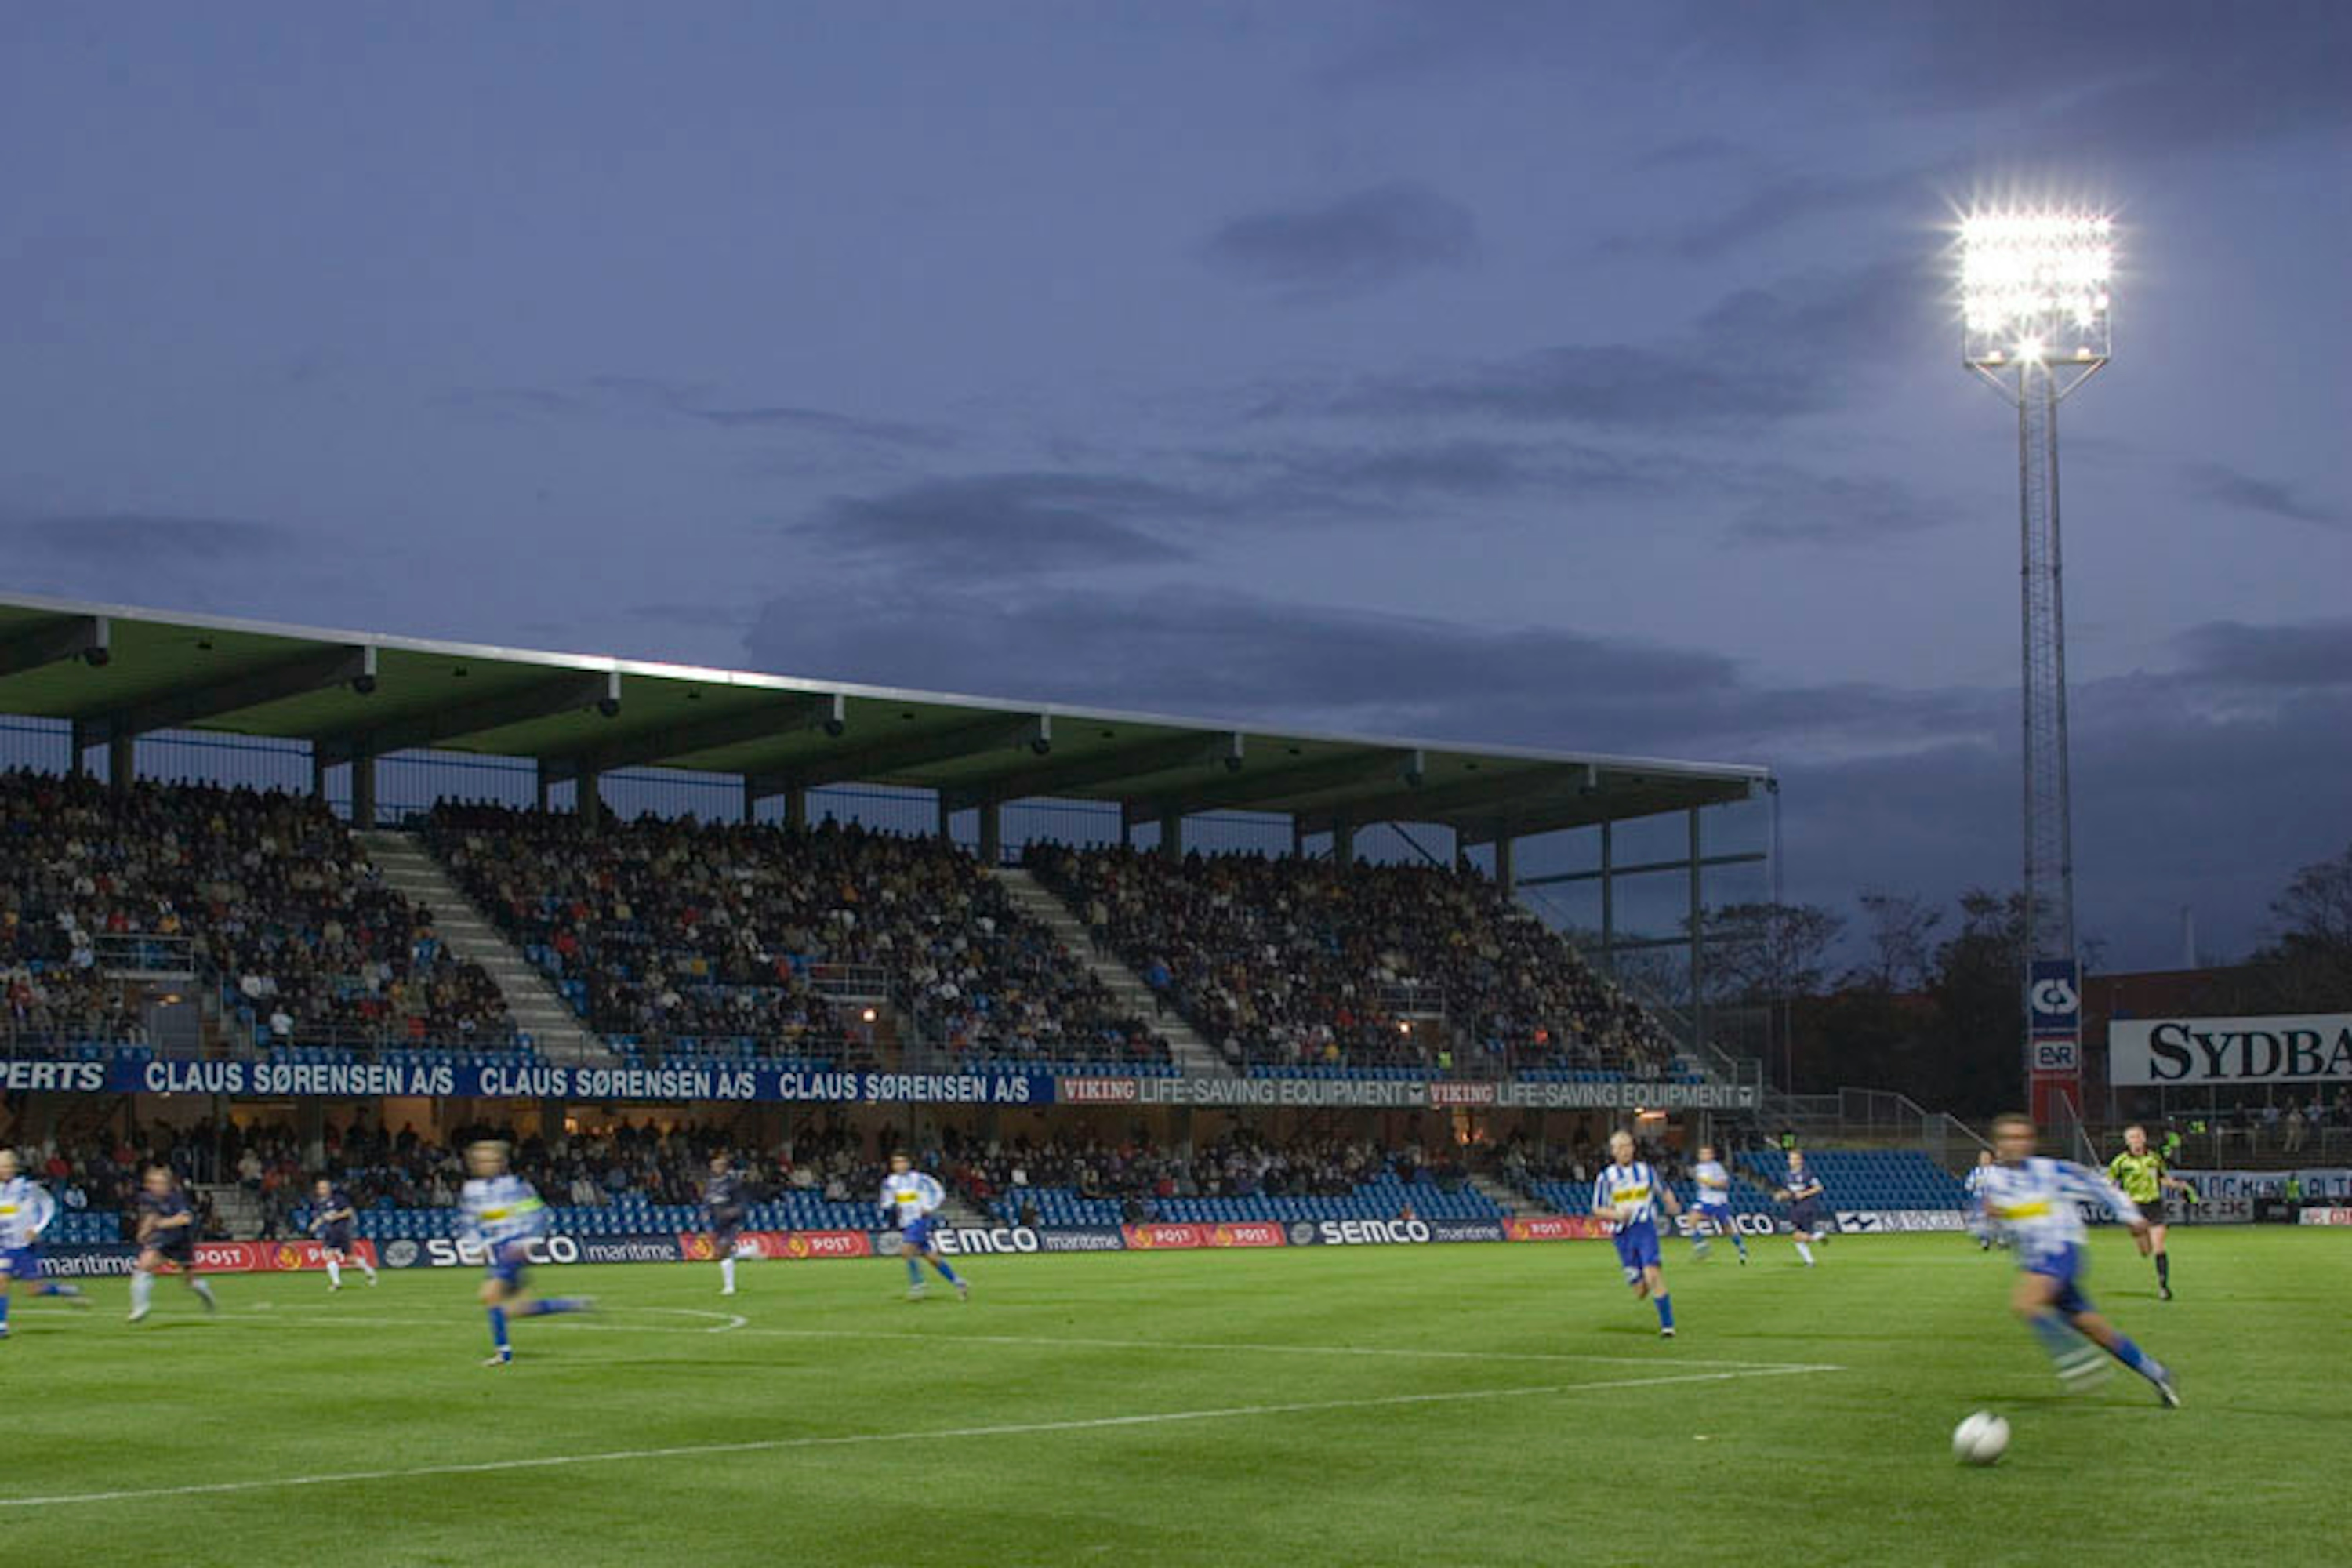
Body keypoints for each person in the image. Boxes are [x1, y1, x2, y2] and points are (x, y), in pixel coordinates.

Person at [1979, 1112, 2179, 1406]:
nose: (2016, 1143)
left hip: (2061, 1249)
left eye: (2022, 1137)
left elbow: (2097, 1186)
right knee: (2095, 1329)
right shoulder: (1993, 1180)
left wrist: (2130, 1216)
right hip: (2035, 1260)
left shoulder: (2051, 1171)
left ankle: (2078, 1362)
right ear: (1998, 1144)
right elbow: (1986, 1224)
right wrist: (1991, 1220)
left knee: (2025, 1303)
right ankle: (2157, 1373)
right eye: (2009, 1138)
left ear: (2032, 1142)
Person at [459, 1140, 591, 1367]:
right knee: (517, 1308)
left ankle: (504, 1354)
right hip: (496, 1248)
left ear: (500, 1163)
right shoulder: (471, 1190)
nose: (485, 1164)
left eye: (490, 1160)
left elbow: (537, 1213)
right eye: (481, 1161)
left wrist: (528, 1241)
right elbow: (469, 1220)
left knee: (489, 1295)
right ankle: (570, 1304)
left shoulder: (515, 1186)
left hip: (512, 1247)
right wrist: (476, 1245)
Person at [1588, 1129, 1682, 1337]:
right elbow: (1597, 1208)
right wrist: (1616, 1214)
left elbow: (1663, 1190)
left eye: (1628, 1145)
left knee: (1653, 1273)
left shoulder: (1646, 1171)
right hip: (1623, 1234)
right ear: (1613, 1151)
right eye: (1620, 1147)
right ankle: (1644, 1275)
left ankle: (1668, 1326)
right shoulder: (1606, 1177)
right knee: (1640, 1291)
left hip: (1645, 1227)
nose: (1625, 1150)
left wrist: (1671, 1202)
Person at [0, 1149, 89, 1336]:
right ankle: (2, 1325)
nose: (4, 1170)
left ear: (14, 1168)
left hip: (26, 1246)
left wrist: (37, 1228)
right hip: (6, 1246)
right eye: (1, 1167)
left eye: (7, 1166)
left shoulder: (27, 1187)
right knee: (1, 1281)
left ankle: (64, 1289)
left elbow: (48, 1204)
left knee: (34, 1290)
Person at [2106, 1125, 2192, 1301]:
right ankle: (2144, 1240)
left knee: (2159, 1246)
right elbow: (2110, 1182)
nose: (2136, 1140)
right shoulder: (2120, 1161)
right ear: (2127, 1141)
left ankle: (2163, 1287)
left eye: (2139, 1136)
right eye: (2132, 1137)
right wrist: (2112, 1193)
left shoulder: (2154, 1158)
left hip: (2154, 1205)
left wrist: (2179, 1186)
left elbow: (2163, 1178)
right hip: (2134, 1208)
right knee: (2145, 1251)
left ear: (2144, 1139)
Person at [877, 1152, 968, 1302]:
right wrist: (890, 1207)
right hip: (905, 1222)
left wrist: (929, 1207)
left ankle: (918, 1285)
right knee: (931, 1257)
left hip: (919, 1220)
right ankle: (958, 1282)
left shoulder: (920, 1178)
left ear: (908, 1163)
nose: (899, 1165)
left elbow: (939, 1192)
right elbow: (886, 1201)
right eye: (896, 1162)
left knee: (906, 1251)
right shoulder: (890, 1182)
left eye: (902, 1161)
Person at [129, 1166, 217, 1323]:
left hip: (182, 1241)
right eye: (152, 1183)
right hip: (164, 1241)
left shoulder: (176, 1198)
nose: (155, 1186)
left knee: (190, 1282)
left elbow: (185, 1218)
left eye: (159, 1183)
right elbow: (152, 1216)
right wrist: (144, 1232)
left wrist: (163, 1223)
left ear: (167, 1185)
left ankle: (207, 1296)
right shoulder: (150, 1199)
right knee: (143, 1266)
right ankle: (141, 1308)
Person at [308, 1177, 379, 1291]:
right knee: (349, 1258)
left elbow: (349, 1211)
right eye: (320, 1188)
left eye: (324, 1188)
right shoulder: (319, 1203)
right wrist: (315, 1224)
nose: (321, 1190)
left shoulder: (338, 1199)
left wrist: (336, 1216)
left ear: (329, 1189)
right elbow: (322, 1216)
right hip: (330, 1231)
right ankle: (368, 1270)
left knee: (330, 1254)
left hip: (340, 1230)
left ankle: (337, 1283)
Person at [1686, 1144, 1747, 1264]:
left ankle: (1741, 1246)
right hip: (1704, 1200)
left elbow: (1724, 1184)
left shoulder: (1717, 1167)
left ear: (1712, 1155)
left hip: (1718, 1200)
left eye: (1707, 1153)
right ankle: (1701, 1246)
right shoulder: (1699, 1167)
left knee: (1726, 1227)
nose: (1704, 1156)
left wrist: (1711, 1183)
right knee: (1691, 1219)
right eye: (1702, 1154)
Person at [704, 1153, 749, 1297]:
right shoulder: (710, 1184)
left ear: (725, 1167)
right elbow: (708, 1201)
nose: (716, 1168)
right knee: (719, 1255)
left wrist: (733, 1211)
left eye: (720, 1165)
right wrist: (707, 1212)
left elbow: (742, 1204)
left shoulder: (733, 1184)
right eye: (714, 1165)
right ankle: (747, 1252)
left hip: (732, 1223)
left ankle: (730, 1288)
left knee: (723, 1249)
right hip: (718, 1223)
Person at [1774, 1146, 1827, 1266]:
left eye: (1794, 1159)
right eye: (1790, 1159)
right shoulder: (1786, 1175)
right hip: (1795, 1207)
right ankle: (1815, 1243)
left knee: (1797, 1235)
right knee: (1799, 1236)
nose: (1791, 1161)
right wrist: (1781, 1195)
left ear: (1800, 1160)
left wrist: (1804, 1194)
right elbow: (1789, 1191)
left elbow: (1819, 1187)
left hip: (1807, 1207)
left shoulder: (1807, 1174)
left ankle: (1813, 1251)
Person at [1962, 1149, 2001, 1250]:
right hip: (1979, 1199)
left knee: (1995, 1220)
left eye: (1986, 1157)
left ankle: (2000, 1240)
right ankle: (1985, 1241)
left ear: (1991, 1159)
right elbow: (1968, 1186)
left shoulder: (1995, 1171)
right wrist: (1975, 1184)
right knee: (1982, 1221)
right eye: (1982, 1157)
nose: (1984, 1159)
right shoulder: (1976, 1172)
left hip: (1993, 1198)